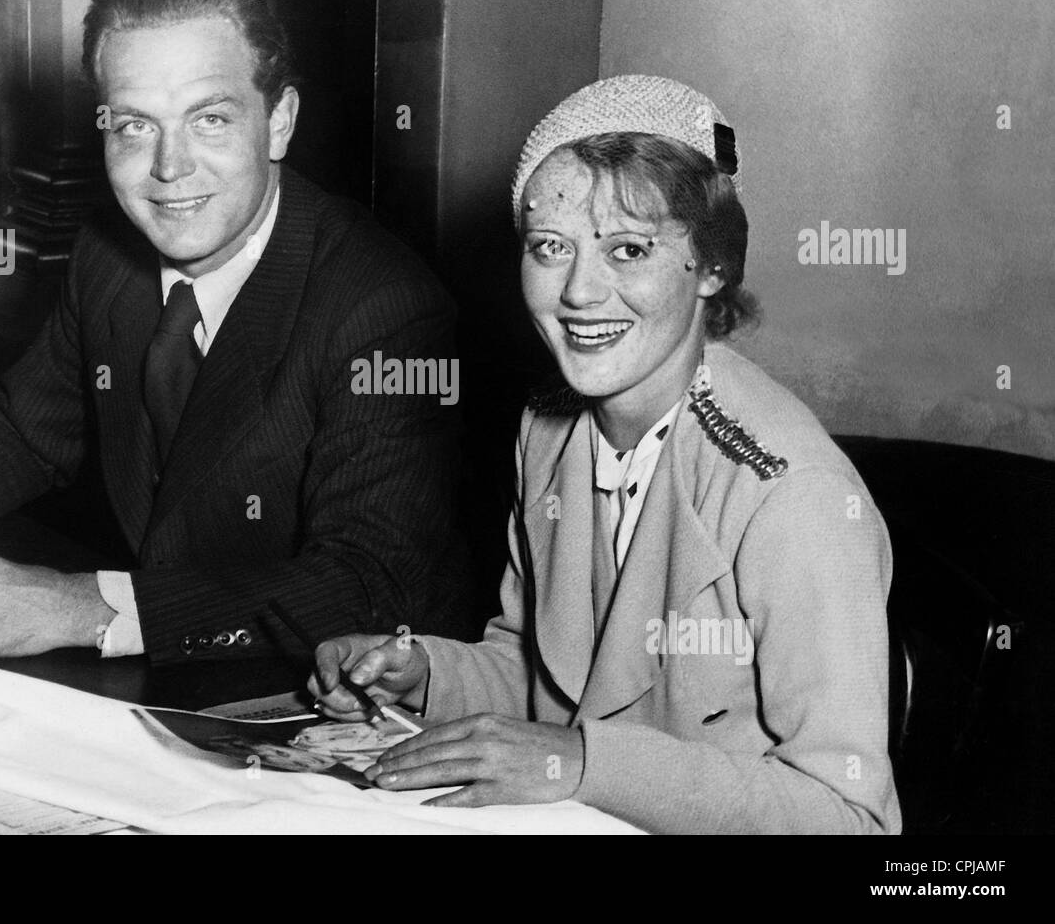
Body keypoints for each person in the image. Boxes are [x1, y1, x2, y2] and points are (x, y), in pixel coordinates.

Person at [309, 75, 901, 834]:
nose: (580, 291)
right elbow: (545, 677)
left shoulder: (794, 495)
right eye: (550, 248)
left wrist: (583, 763)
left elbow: (849, 815)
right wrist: (426, 672)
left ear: (714, 268)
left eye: (629, 249)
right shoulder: (549, 428)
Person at [0, 0, 461, 665]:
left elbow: (367, 588)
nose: (169, 167)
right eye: (134, 126)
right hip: (175, 684)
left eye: (209, 119)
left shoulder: (386, 308)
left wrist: (85, 606)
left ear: (279, 122)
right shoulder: (106, 253)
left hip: (339, 715)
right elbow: (32, 426)